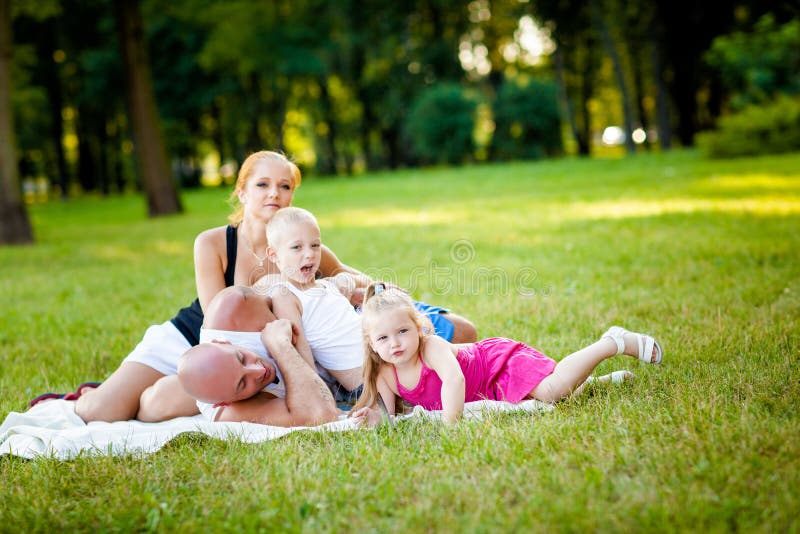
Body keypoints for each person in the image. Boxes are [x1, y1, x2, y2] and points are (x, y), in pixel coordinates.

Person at [74, 150, 476, 423]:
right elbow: (220, 322)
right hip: (199, 339)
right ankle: (91, 391)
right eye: (263, 185)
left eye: (285, 187)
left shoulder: (298, 243)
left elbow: (361, 281)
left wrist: (361, 292)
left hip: (259, 353)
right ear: (242, 190)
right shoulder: (214, 243)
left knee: (457, 332)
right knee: (101, 410)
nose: (275, 194)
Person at [350, 284, 663, 426]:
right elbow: (389, 418)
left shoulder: (430, 347)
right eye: (383, 338)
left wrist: (450, 425)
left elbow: (455, 380)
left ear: (418, 328)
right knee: (548, 398)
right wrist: (373, 416)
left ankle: (613, 342)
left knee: (552, 391)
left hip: (494, 365)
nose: (395, 343)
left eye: (403, 331)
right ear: (371, 343)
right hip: (486, 392)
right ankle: (598, 383)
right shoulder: (384, 373)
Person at [180, 311, 340, 426]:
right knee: (159, 406)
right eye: (242, 383)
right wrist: (279, 344)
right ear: (225, 403)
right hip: (207, 383)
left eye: (242, 358)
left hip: (209, 359)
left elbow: (280, 288)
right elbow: (320, 415)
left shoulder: (232, 310)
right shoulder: (229, 412)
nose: (260, 371)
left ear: (223, 342)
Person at [265, 207, 364, 394]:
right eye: (297, 247)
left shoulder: (326, 286)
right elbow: (302, 354)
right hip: (365, 378)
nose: (309, 254)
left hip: (386, 352)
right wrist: (322, 396)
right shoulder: (285, 295)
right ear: (274, 255)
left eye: (315, 245)